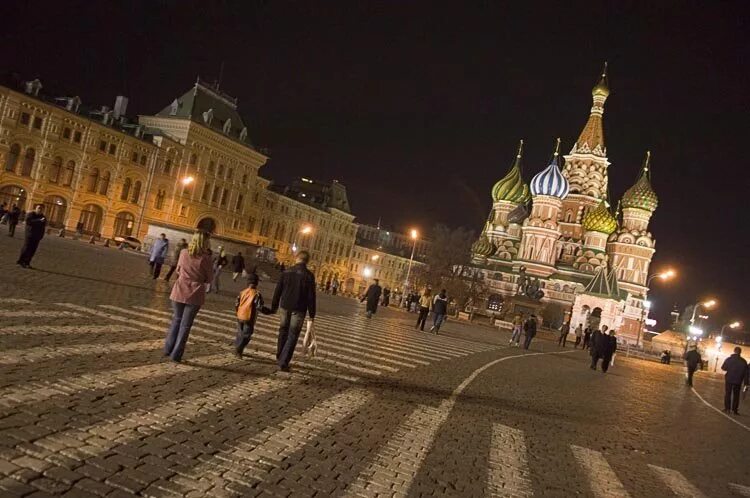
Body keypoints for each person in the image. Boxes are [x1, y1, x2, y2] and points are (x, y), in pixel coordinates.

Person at [163, 231, 213, 362]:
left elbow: (178, 270)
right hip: (195, 293)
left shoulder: (184, 253)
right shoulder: (206, 259)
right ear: (205, 243)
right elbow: (209, 279)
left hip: (179, 289)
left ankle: (168, 348)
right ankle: (176, 354)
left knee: (176, 320)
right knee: (185, 325)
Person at [270, 250, 317, 372]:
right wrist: (312, 315)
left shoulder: (286, 271)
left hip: (285, 306)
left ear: (297, 258)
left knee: (283, 331)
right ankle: (283, 361)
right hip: (299, 309)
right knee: (293, 335)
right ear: (307, 261)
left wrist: (274, 306)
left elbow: (278, 290)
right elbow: (311, 297)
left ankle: (279, 355)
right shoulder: (309, 276)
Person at [234, 273, 271, 358]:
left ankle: (238, 347)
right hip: (249, 317)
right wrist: (269, 311)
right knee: (246, 335)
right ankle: (239, 349)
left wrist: (237, 312)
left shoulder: (242, 292)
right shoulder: (256, 294)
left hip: (240, 316)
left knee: (240, 333)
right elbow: (259, 307)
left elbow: (236, 304)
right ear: (256, 283)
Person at [16, 204, 47, 269]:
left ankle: (27, 262)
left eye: (41, 208)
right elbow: (28, 222)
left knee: (33, 250)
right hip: (29, 234)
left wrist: (41, 235)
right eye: (38, 208)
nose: (40, 209)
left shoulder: (43, 217)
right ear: (35, 208)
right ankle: (21, 261)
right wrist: (39, 220)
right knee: (26, 248)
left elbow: (43, 227)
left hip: (37, 236)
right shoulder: (31, 214)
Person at [721, 347, 749, 415]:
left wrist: (729, 368)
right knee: (736, 395)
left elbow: (723, 368)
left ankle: (727, 408)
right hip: (738, 381)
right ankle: (735, 410)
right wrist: (746, 383)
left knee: (728, 393)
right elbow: (746, 374)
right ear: (740, 352)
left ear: (734, 351)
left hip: (729, 379)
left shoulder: (729, 359)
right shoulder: (744, 361)